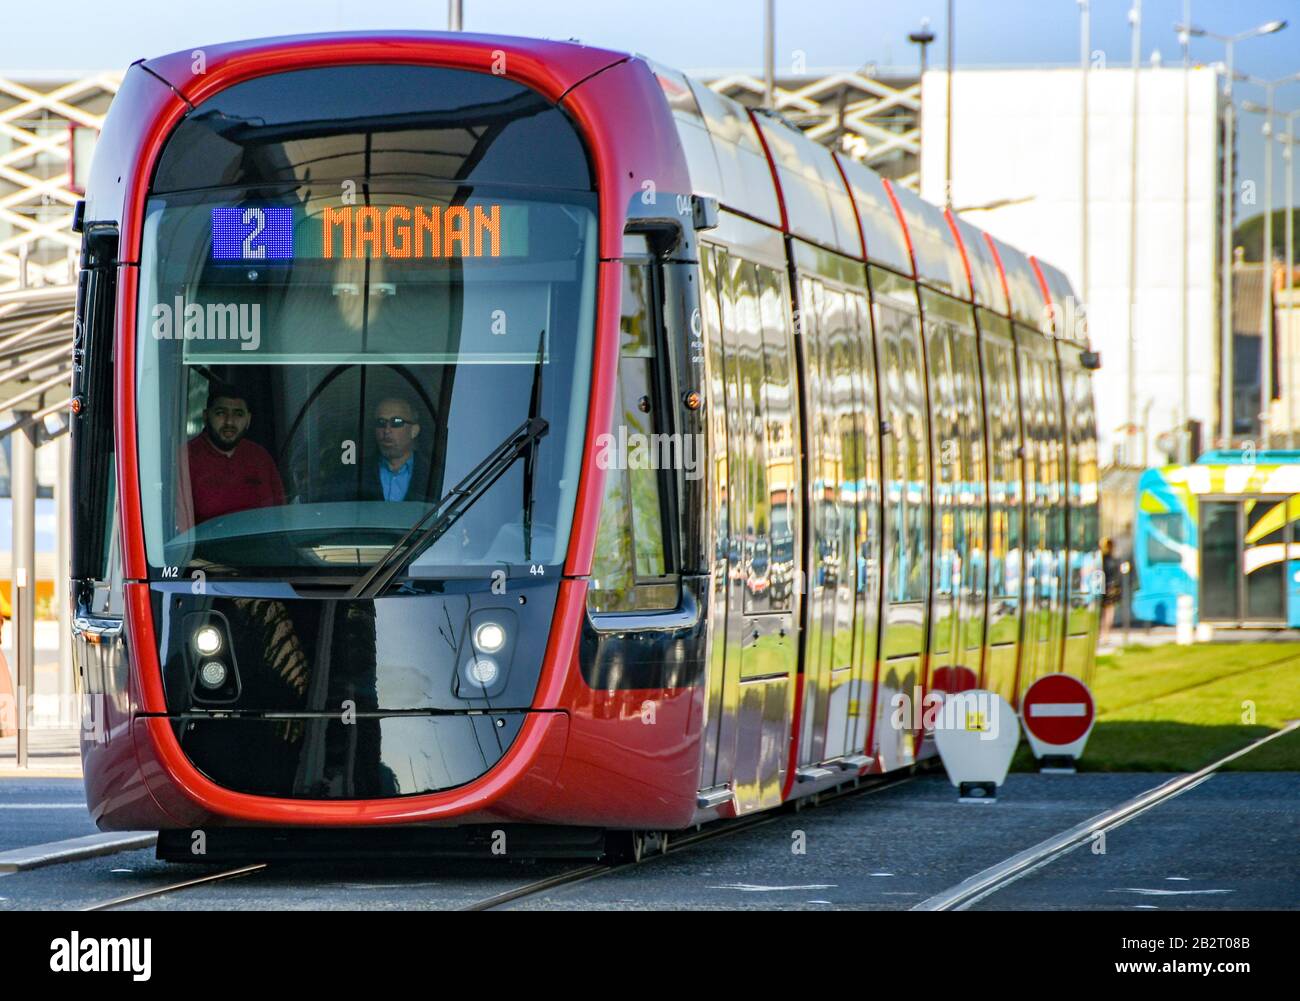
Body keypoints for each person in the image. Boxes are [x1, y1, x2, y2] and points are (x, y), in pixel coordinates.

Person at [186, 382, 286, 525]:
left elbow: (281, 516)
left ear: (248, 420)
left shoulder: (260, 457)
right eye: (221, 413)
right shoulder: (186, 459)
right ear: (206, 416)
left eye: (238, 414)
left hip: (262, 545)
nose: (229, 421)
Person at [363, 396, 432, 503]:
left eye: (396, 422)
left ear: (414, 430)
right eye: (381, 422)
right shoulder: (354, 474)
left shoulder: (433, 475)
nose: (387, 430)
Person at [1099, 537, 1120, 648]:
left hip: (1104, 588)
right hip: (1110, 587)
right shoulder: (1113, 560)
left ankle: (1104, 634)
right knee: (1108, 612)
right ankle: (1105, 634)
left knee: (1105, 612)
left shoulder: (1101, 560)